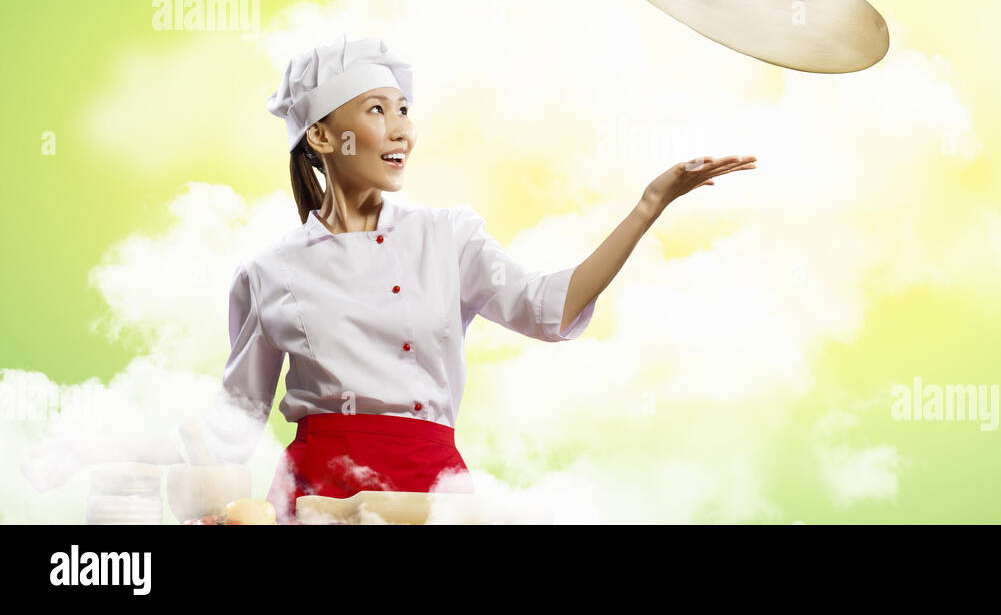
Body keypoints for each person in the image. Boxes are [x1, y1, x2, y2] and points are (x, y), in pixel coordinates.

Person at [23, 35, 757, 522]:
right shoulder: (269, 273)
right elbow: (237, 418)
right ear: (321, 136)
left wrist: (649, 205)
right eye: (377, 110)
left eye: (404, 109)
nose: (402, 127)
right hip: (316, 484)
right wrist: (137, 460)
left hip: (429, 487)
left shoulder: (449, 238)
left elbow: (548, 309)